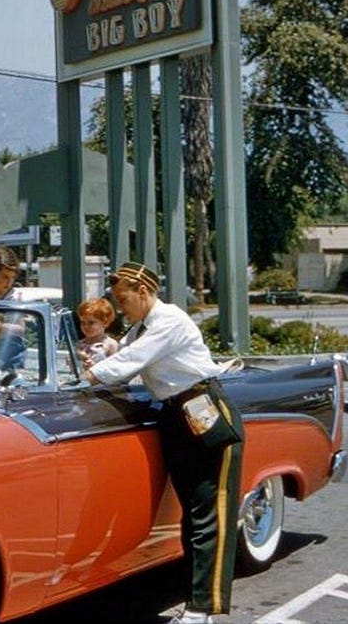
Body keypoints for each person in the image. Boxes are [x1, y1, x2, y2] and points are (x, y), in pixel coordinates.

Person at [83, 262, 243, 624]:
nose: (119, 308)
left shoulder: (169, 321)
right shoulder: (141, 327)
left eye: (123, 299)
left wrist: (89, 374)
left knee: (209, 515)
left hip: (204, 410)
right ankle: (193, 597)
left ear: (143, 292)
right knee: (191, 514)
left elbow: (128, 362)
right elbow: (117, 354)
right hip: (175, 413)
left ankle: (204, 609)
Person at [76, 297, 119, 362]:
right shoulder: (79, 345)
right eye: (83, 322)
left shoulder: (110, 344)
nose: (86, 326)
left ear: (105, 323)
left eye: (91, 323)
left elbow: (115, 368)